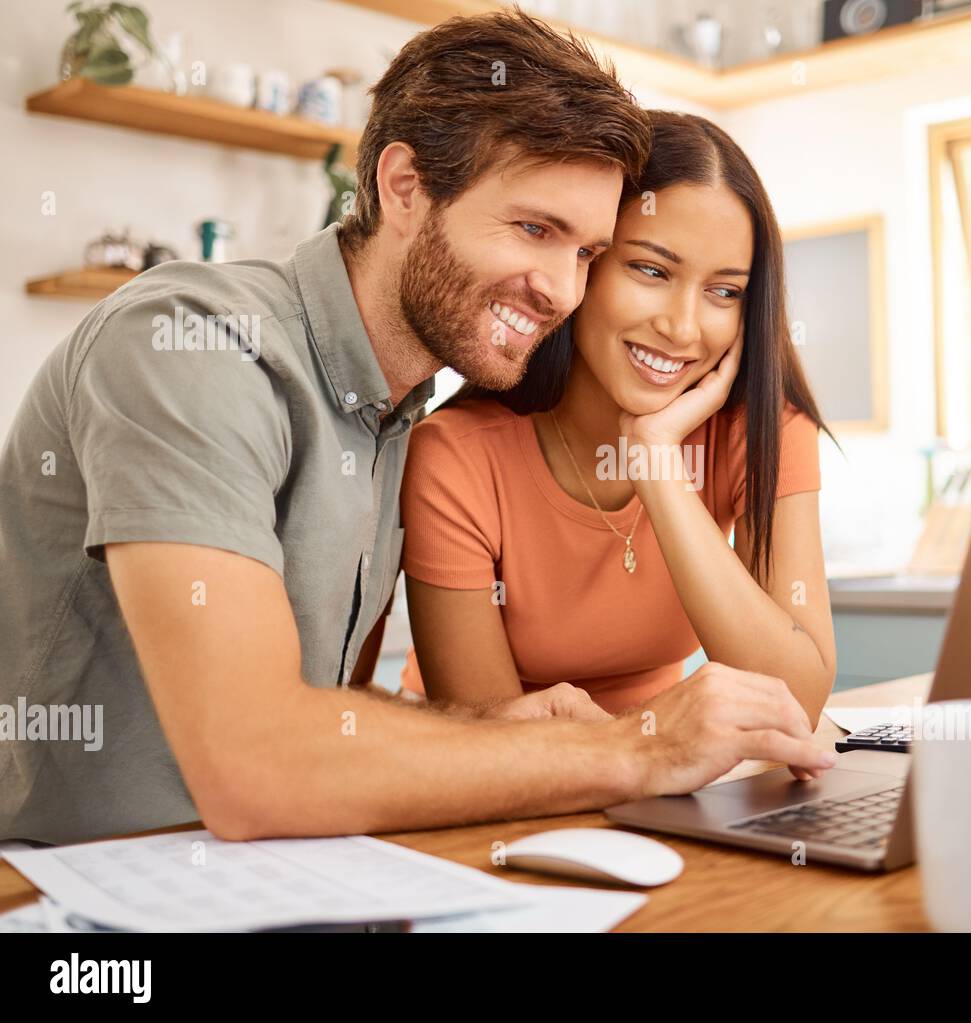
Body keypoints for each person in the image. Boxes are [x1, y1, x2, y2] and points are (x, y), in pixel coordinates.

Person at [0, 11, 834, 847]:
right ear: (404, 186)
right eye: (535, 228)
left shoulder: (392, 417)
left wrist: (507, 734)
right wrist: (630, 744)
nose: (560, 289)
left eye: (586, 254)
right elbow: (254, 762)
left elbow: (319, 715)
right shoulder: (195, 345)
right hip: (61, 883)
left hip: (268, 870)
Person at [399, 111, 836, 738]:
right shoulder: (456, 456)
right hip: (490, 804)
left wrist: (657, 463)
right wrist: (652, 733)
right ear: (584, 265)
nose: (683, 328)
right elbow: (492, 748)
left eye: (725, 291)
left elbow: (798, 701)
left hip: (669, 773)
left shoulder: (765, 431)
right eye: (652, 271)